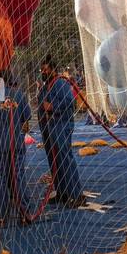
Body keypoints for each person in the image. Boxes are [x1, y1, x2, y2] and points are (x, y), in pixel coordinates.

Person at [0, 69, 32, 227]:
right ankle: (24, 214)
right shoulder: (20, 95)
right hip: (16, 145)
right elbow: (26, 120)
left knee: (0, 181)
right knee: (19, 179)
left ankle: (1, 218)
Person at [37, 57, 84, 208]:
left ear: (53, 69)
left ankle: (77, 195)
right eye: (42, 70)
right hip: (49, 128)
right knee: (54, 161)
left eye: (46, 69)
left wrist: (52, 107)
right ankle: (62, 192)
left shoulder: (60, 83)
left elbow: (70, 100)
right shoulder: (45, 87)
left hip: (61, 126)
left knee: (65, 159)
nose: (43, 72)